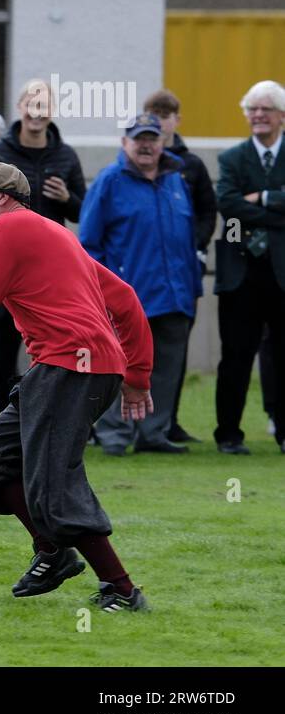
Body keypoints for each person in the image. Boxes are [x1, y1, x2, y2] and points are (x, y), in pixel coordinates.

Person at [0, 158, 154, 612]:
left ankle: (123, 590)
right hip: (74, 369)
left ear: (3, 198)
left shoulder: (6, 229)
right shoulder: (56, 233)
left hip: (71, 369)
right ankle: (54, 554)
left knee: (55, 487)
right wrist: (135, 376)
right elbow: (127, 300)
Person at [78, 113, 201, 456]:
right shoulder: (109, 181)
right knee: (117, 369)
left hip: (175, 297)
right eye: (139, 139)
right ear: (124, 143)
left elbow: (186, 240)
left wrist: (193, 289)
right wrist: (100, 294)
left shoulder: (176, 181)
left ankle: (153, 433)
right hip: (125, 299)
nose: (146, 145)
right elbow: (88, 244)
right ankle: (115, 436)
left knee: (165, 370)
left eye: (153, 139)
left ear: (163, 143)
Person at [0, 79, 87, 411]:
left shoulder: (65, 154)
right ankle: (7, 419)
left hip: (50, 272)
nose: (36, 113)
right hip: (8, 266)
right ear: (20, 108)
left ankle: (51, 414)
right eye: (31, 105)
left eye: (43, 106)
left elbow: (83, 211)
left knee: (54, 348)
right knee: (5, 348)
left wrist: (66, 197)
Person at [212, 79, 285, 455]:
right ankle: (228, 433)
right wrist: (277, 215)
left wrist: (266, 196)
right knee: (236, 357)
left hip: (282, 273)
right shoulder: (232, 158)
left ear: (281, 116)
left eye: (266, 109)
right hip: (241, 275)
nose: (258, 115)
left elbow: (244, 204)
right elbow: (228, 203)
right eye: (253, 109)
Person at [144, 88, 216, 445]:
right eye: (154, 113)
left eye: (167, 114)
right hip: (143, 275)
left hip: (181, 272)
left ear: (177, 119)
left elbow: (208, 211)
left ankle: (167, 421)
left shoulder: (192, 165)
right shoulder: (133, 159)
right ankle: (123, 426)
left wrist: (196, 247)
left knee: (175, 350)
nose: (161, 120)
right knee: (136, 353)